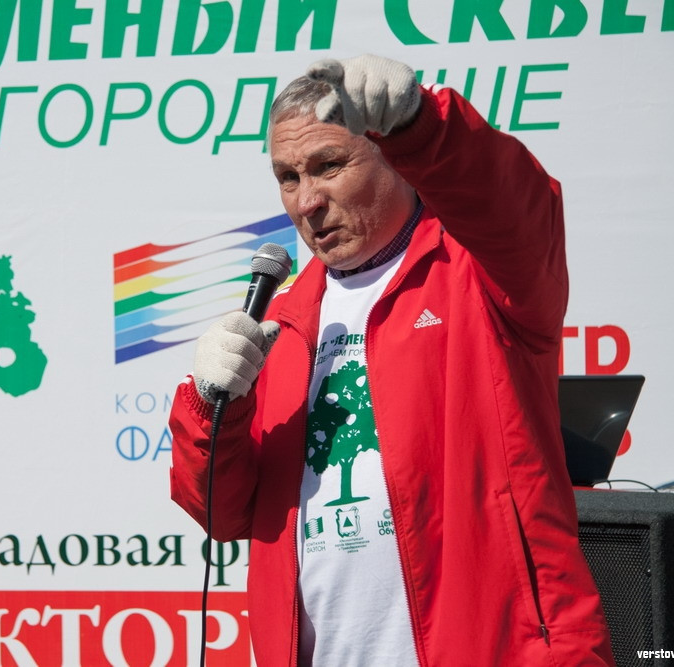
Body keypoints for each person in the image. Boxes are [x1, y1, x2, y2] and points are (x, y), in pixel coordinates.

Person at [168, 54, 616, 666]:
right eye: (288, 176)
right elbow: (224, 515)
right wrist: (209, 407)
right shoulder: (281, 324)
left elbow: (514, 204)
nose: (307, 201)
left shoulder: (479, 272)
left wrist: (423, 126)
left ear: (390, 156)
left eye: (328, 165)